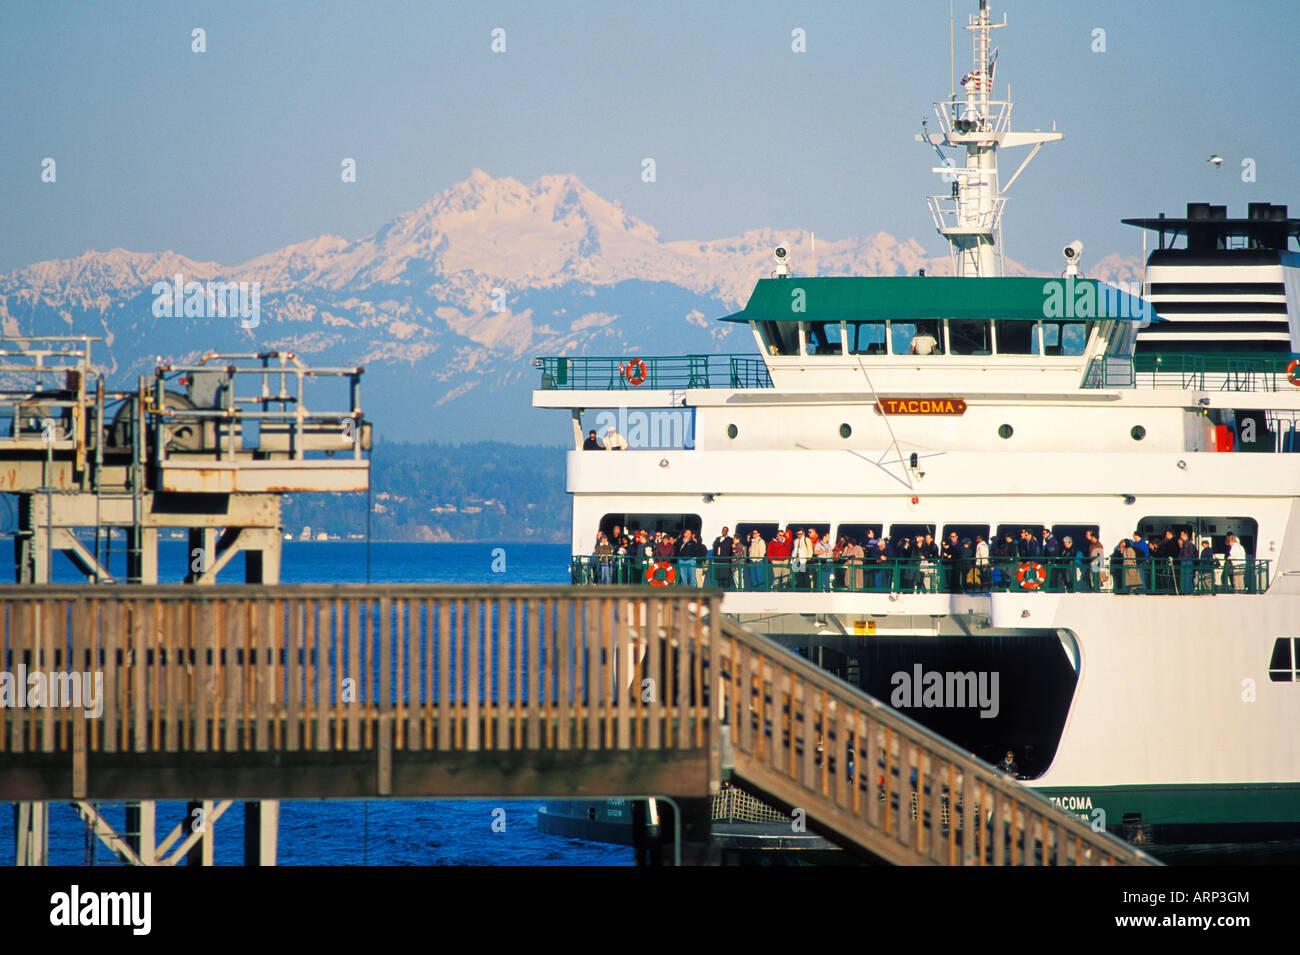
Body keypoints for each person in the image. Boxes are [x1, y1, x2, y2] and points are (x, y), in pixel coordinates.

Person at [1177, 530, 1197, 595]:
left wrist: (1181, 558)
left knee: (1187, 577)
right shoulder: (1186, 544)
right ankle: (1187, 591)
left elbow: (1190, 555)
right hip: (1186, 562)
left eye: (1181, 535)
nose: (1180, 536)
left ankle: (1189, 592)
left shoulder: (1188, 544)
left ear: (1185, 535)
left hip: (1187, 563)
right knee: (1186, 578)